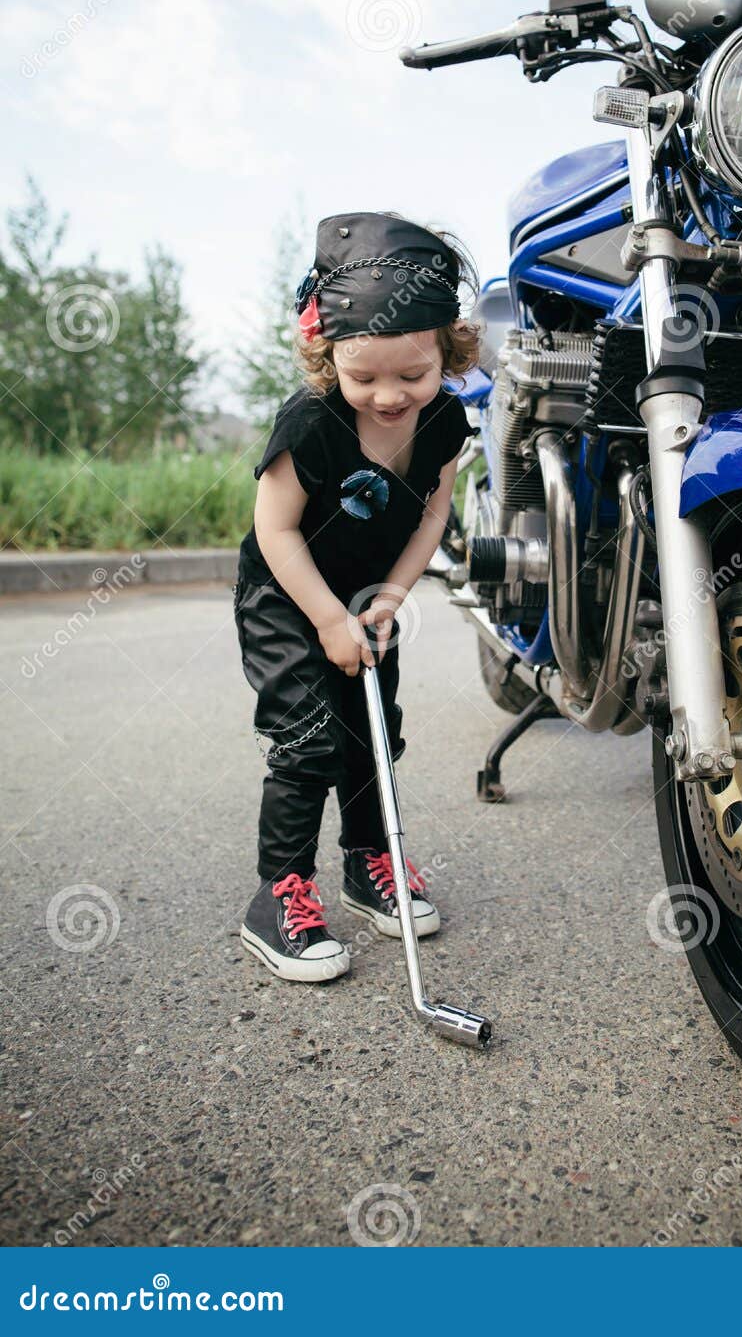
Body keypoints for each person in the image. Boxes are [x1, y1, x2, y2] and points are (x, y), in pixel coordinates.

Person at [233, 212, 479, 981]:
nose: (388, 395)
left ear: (448, 349)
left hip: (366, 598)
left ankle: (368, 864)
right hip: (289, 594)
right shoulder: (310, 424)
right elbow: (274, 533)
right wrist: (328, 620)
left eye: (413, 375)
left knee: (371, 735)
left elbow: (435, 509)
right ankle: (280, 897)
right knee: (308, 740)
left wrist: (390, 594)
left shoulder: (443, 423)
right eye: (363, 376)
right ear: (327, 354)